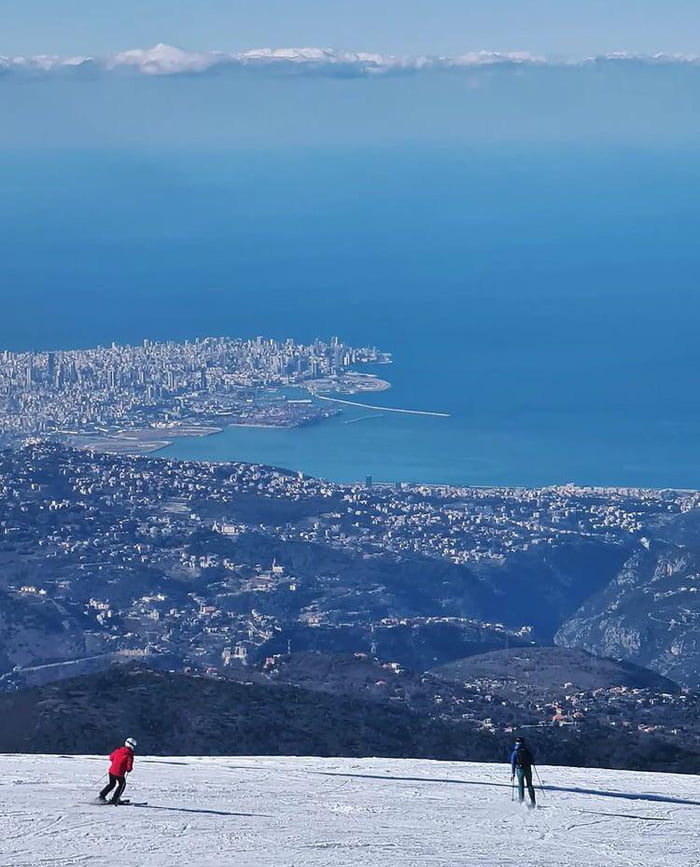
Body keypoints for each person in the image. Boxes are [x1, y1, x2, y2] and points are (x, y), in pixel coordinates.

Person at [99, 737, 137, 805]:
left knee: (111, 784)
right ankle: (115, 798)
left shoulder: (118, 750)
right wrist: (129, 769)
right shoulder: (129, 754)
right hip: (119, 773)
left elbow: (111, 758)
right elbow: (129, 767)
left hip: (111, 771)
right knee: (122, 785)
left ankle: (101, 796)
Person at [510, 736, 536, 808]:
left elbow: (513, 762)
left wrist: (513, 772)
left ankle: (521, 800)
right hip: (528, 769)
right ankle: (533, 802)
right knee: (529, 785)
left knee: (521, 785)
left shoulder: (515, 752)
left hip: (520, 769)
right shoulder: (527, 751)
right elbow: (532, 759)